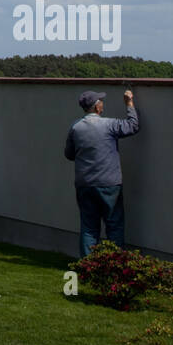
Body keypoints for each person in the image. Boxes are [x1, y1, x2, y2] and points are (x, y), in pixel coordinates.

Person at [64, 88, 139, 257]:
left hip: (85, 184)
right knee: (114, 225)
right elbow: (133, 126)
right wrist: (129, 103)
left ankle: (88, 267)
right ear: (97, 107)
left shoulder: (75, 128)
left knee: (89, 227)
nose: (102, 103)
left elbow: (69, 154)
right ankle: (114, 266)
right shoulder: (109, 125)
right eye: (101, 101)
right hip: (109, 184)